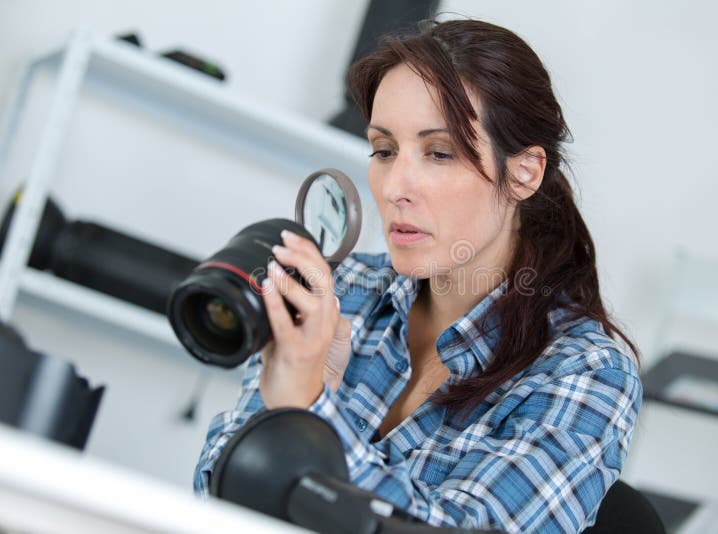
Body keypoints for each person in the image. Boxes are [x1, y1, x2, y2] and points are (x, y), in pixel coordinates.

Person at [194, 18, 643, 534]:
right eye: (384, 150)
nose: (394, 188)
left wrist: (307, 409)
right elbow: (213, 490)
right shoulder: (342, 293)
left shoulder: (585, 373)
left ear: (524, 172)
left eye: (439, 152)